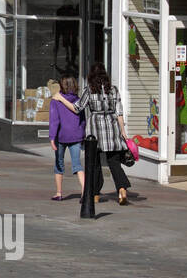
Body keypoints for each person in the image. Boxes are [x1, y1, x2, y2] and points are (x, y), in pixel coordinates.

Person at [54, 63, 131, 208]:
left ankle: (95, 193)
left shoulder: (89, 90)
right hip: (111, 127)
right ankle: (121, 189)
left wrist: (61, 99)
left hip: (95, 129)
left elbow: (77, 108)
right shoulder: (113, 90)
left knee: (94, 163)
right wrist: (122, 131)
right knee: (114, 162)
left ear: (91, 76)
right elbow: (119, 112)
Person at [48, 74, 85, 201]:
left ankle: (58, 193)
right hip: (76, 135)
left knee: (59, 165)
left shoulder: (56, 100)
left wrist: (52, 137)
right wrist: (82, 134)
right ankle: (84, 191)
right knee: (77, 165)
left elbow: (54, 121)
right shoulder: (78, 100)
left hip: (61, 136)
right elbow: (83, 120)